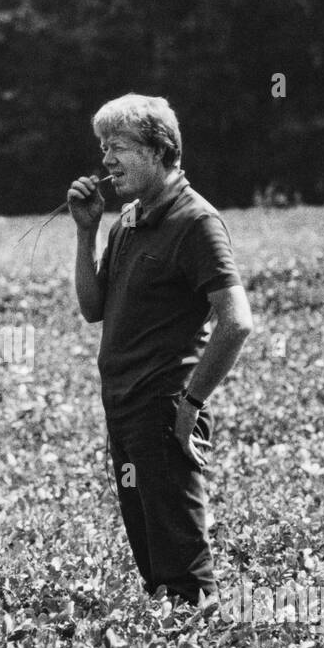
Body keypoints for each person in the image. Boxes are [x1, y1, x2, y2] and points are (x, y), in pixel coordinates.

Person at [67, 94, 253, 607]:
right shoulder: (129, 220)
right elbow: (92, 307)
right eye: (103, 148)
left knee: (185, 576)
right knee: (156, 570)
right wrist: (86, 231)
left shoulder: (197, 222)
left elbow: (236, 322)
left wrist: (189, 405)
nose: (106, 160)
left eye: (119, 147)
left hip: (164, 410)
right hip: (124, 409)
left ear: (158, 150)